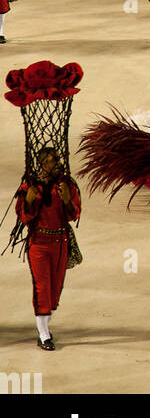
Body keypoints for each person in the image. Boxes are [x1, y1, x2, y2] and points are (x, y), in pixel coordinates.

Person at [14, 146, 82, 350]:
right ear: (42, 164)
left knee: (55, 289)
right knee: (42, 287)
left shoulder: (66, 185)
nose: (56, 164)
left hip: (60, 243)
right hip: (39, 245)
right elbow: (24, 217)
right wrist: (28, 200)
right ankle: (43, 334)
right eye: (51, 161)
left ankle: (45, 324)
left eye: (57, 160)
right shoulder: (30, 187)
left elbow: (73, 215)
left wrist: (67, 200)